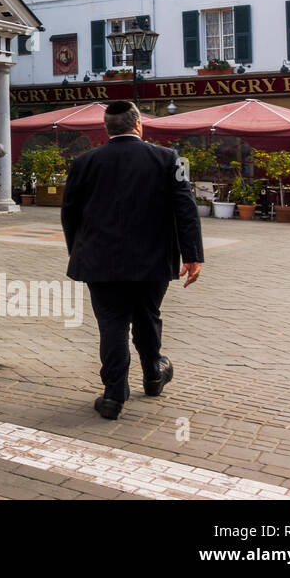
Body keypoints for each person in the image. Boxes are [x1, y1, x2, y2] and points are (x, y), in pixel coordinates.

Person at [61, 100, 204, 419]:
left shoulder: (84, 162)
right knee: (147, 316)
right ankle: (153, 373)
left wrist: (79, 250)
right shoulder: (169, 159)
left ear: (106, 128)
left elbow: (69, 213)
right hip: (152, 260)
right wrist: (193, 255)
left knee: (112, 324)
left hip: (100, 261)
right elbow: (186, 209)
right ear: (139, 125)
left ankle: (113, 394)